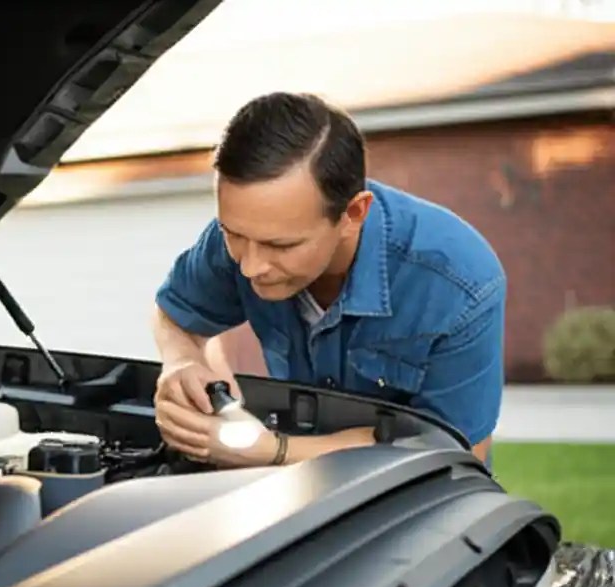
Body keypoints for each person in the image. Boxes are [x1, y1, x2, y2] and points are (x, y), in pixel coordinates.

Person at [152, 91, 505, 468]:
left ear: (353, 213)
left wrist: (275, 450)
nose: (250, 266)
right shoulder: (246, 234)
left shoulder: (458, 284)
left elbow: (454, 454)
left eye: (280, 245)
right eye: (233, 234)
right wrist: (181, 361)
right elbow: (173, 316)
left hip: (412, 507)